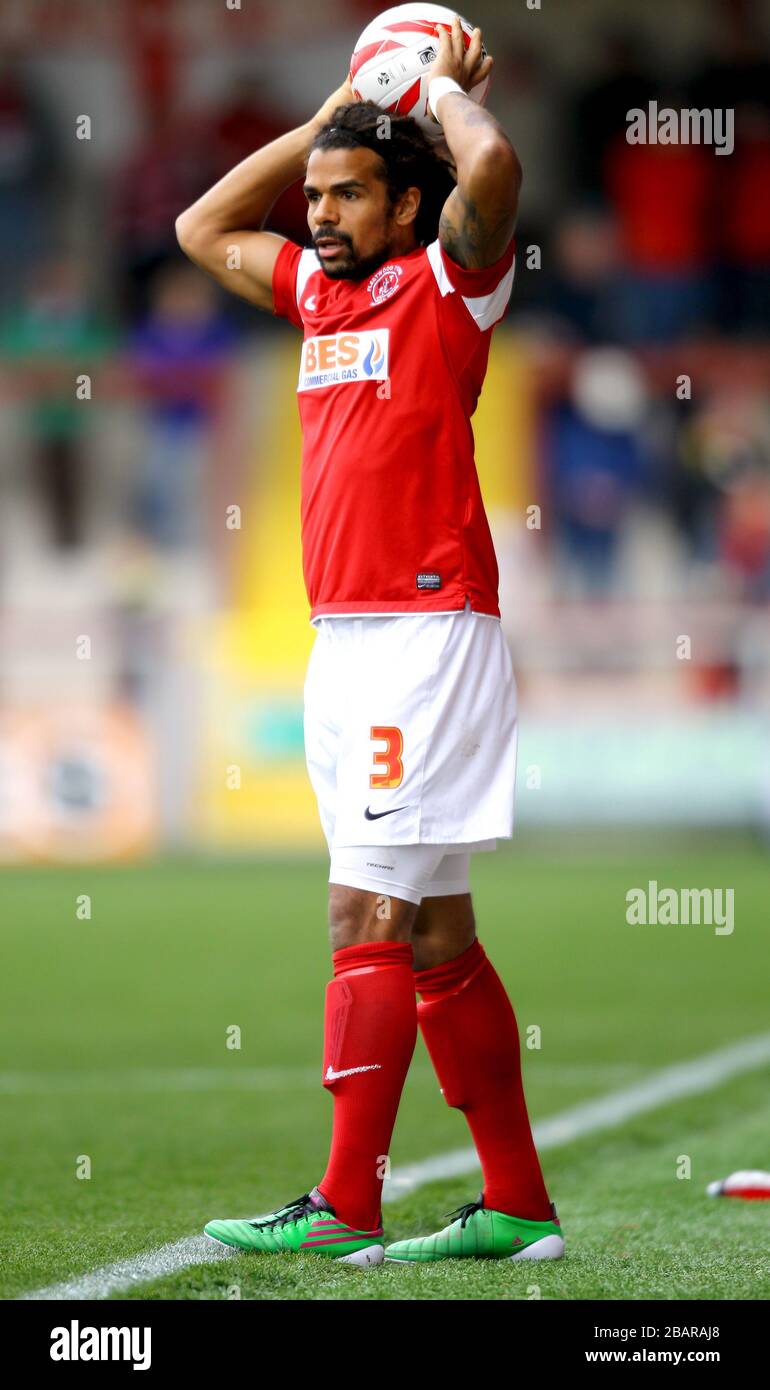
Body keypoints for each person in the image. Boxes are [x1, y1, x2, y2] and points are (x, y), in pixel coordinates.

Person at [176, 18, 564, 1267]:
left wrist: (435, 94)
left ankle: (347, 1198)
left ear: (409, 204)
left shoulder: (448, 282)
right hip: (343, 641)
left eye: (349, 195)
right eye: (317, 198)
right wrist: (332, 113)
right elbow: (198, 230)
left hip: (422, 636)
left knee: (363, 916)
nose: (322, 214)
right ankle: (513, 1205)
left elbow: (493, 172)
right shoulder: (315, 290)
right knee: (435, 930)